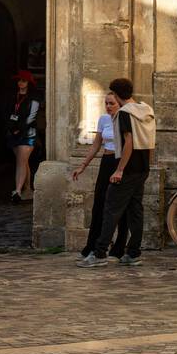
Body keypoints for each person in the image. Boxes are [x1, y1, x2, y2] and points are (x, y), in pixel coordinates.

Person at [77, 77, 156, 269]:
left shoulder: (124, 113)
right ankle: (133, 253)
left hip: (127, 169)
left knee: (111, 209)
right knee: (135, 211)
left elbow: (128, 142)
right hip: (142, 167)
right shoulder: (146, 109)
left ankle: (100, 253)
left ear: (118, 95)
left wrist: (120, 169)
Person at [71, 92, 128, 259]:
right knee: (99, 204)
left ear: (120, 104)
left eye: (112, 103)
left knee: (121, 206)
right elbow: (96, 145)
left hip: (121, 163)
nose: (108, 107)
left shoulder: (125, 119)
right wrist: (83, 165)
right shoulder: (103, 119)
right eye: (106, 103)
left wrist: (122, 169)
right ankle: (91, 246)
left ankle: (119, 248)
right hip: (107, 162)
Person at [7, 70, 40, 203]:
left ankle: (18, 191)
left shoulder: (34, 99)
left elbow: (31, 117)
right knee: (23, 161)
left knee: (21, 161)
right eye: (19, 80)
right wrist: (11, 128)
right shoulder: (13, 97)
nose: (21, 83)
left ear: (29, 83)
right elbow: (8, 112)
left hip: (27, 134)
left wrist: (19, 129)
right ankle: (28, 189)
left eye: (24, 80)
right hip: (14, 134)